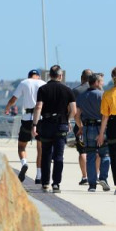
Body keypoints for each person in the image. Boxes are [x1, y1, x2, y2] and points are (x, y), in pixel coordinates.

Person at [32, 65, 78, 193]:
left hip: (46, 123)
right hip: (61, 124)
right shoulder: (68, 90)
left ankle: (45, 182)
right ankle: (56, 183)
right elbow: (74, 110)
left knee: (46, 154)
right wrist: (68, 120)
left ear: (49, 75)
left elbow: (38, 107)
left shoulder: (43, 89)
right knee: (59, 155)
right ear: (60, 76)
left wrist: (34, 124)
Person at [4, 69, 45, 184]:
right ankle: (38, 175)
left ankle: (24, 163)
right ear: (38, 76)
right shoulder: (43, 83)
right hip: (41, 118)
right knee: (40, 148)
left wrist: (7, 108)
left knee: (21, 146)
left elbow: (13, 99)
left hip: (27, 118)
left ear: (29, 76)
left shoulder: (24, 83)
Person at [77, 72, 109, 190]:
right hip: (100, 127)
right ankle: (103, 178)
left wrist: (80, 126)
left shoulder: (82, 96)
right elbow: (106, 114)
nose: (103, 83)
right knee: (104, 154)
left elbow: (77, 114)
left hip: (86, 127)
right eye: (101, 81)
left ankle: (92, 184)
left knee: (90, 155)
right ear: (96, 83)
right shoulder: (103, 95)